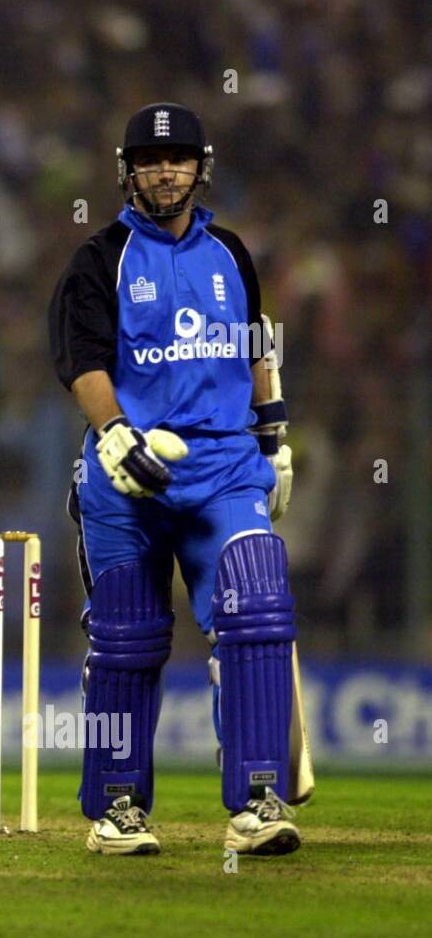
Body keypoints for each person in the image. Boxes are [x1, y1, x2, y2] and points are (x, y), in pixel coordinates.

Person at [48, 103, 298, 856]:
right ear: (127, 171)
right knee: (128, 635)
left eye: (180, 158)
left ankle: (258, 798)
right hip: (128, 476)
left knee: (257, 601)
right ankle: (117, 807)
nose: (166, 171)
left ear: (201, 166)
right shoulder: (100, 259)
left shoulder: (229, 252)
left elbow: (256, 346)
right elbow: (82, 361)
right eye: (152, 160)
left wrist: (275, 438)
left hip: (224, 467)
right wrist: (115, 434)